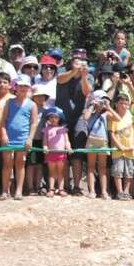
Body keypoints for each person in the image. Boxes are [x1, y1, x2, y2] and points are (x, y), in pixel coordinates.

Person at [56, 48, 94, 195]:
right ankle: (64, 185)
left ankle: (77, 186)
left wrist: (83, 76)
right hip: (62, 117)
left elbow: (87, 91)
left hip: (79, 117)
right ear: (71, 60)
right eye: (76, 59)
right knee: (62, 153)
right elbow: (60, 80)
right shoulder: (63, 70)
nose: (79, 62)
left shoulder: (88, 75)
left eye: (82, 59)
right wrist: (73, 71)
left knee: (77, 153)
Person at [0, 74, 39, 200]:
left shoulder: (32, 105)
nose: (23, 88)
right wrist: (4, 134)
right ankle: (5, 191)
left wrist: (30, 138)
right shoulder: (9, 102)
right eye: (20, 86)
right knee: (7, 164)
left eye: (25, 86)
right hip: (8, 138)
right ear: (16, 87)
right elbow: (3, 121)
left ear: (29, 88)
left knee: (20, 163)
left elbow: (34, 123)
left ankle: (18, 191)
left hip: (23, 138)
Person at [79, 90, 114, 199]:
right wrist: (92, 105)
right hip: (92, 140)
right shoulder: (91, 113)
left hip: (103, 141)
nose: (101, 103)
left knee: (102, 168)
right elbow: (85, 117)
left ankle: (104, 191)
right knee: (90, 166)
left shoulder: (106, 114)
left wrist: (108, 107)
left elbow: (117, 118)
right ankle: (92, 191)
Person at [109, 94, 134, 200]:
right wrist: (119, 145)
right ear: (116, 104)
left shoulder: (131, 117)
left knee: (129, 171)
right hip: (118, 150)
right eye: (121, 103)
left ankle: (126, 191)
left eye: (126, 104)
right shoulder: (113, 117)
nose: (123, 106)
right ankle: (120, 192)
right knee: (118, 170)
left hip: (130, 150)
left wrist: (133, 145)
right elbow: (111, 133)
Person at [26, 85, 51, 195]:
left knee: (40, 164)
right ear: (33, 98)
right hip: (32, 140)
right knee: (31, 164)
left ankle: (38, 186)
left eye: (43, 96)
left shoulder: (47, 112)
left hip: (43, 141)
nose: (41, 98)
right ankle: (30, 187)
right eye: (38, 96)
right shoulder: (29, 109)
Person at [42, 107, 71, 197]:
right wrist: (45, 147)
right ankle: (51, 189)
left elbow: (67, 141)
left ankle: (61, 189)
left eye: (55, 117)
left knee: (60, 172)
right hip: (50, 154)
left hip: (61, 153)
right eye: (51, 117)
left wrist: (68, 148)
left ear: (59, 119)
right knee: (51, 172)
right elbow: (45, 141)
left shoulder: (63, 129)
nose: (53, 119)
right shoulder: (46, 129)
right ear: (48, 119)